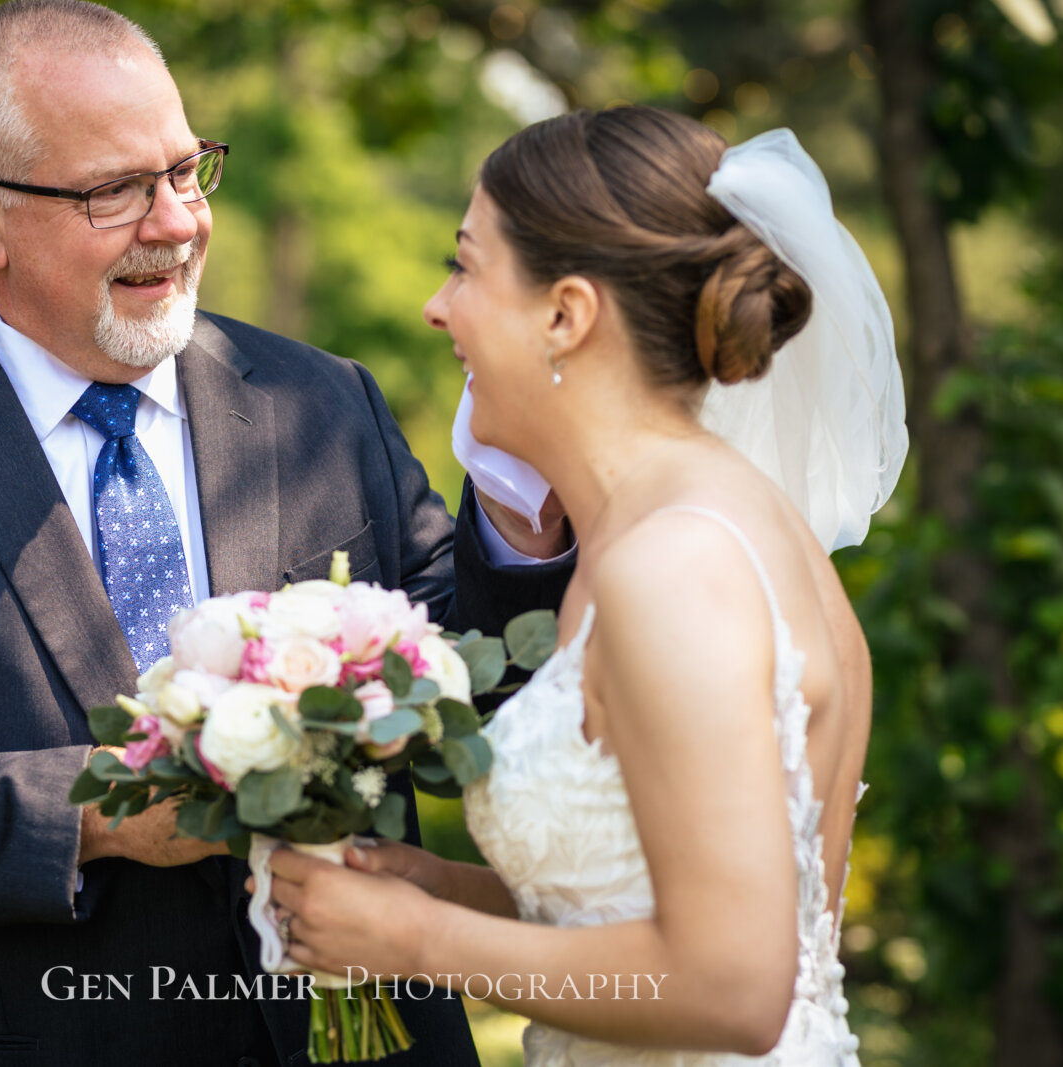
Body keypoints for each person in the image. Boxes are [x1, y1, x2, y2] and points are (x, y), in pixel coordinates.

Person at [0, 3, 572, 1064]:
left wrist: (523, 527)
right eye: (117, 190)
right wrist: (89, 812)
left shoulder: (320, 402)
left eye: (188, 171)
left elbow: (475, 689)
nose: (178, 221)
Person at [265, 105, 908, 1065]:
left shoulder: (673, 565)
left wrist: (417, 943)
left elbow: (736, 985)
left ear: (565, 314)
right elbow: (646, 902)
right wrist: (433, 887)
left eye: (467, 266)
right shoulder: (704, 526)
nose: (439, 308)